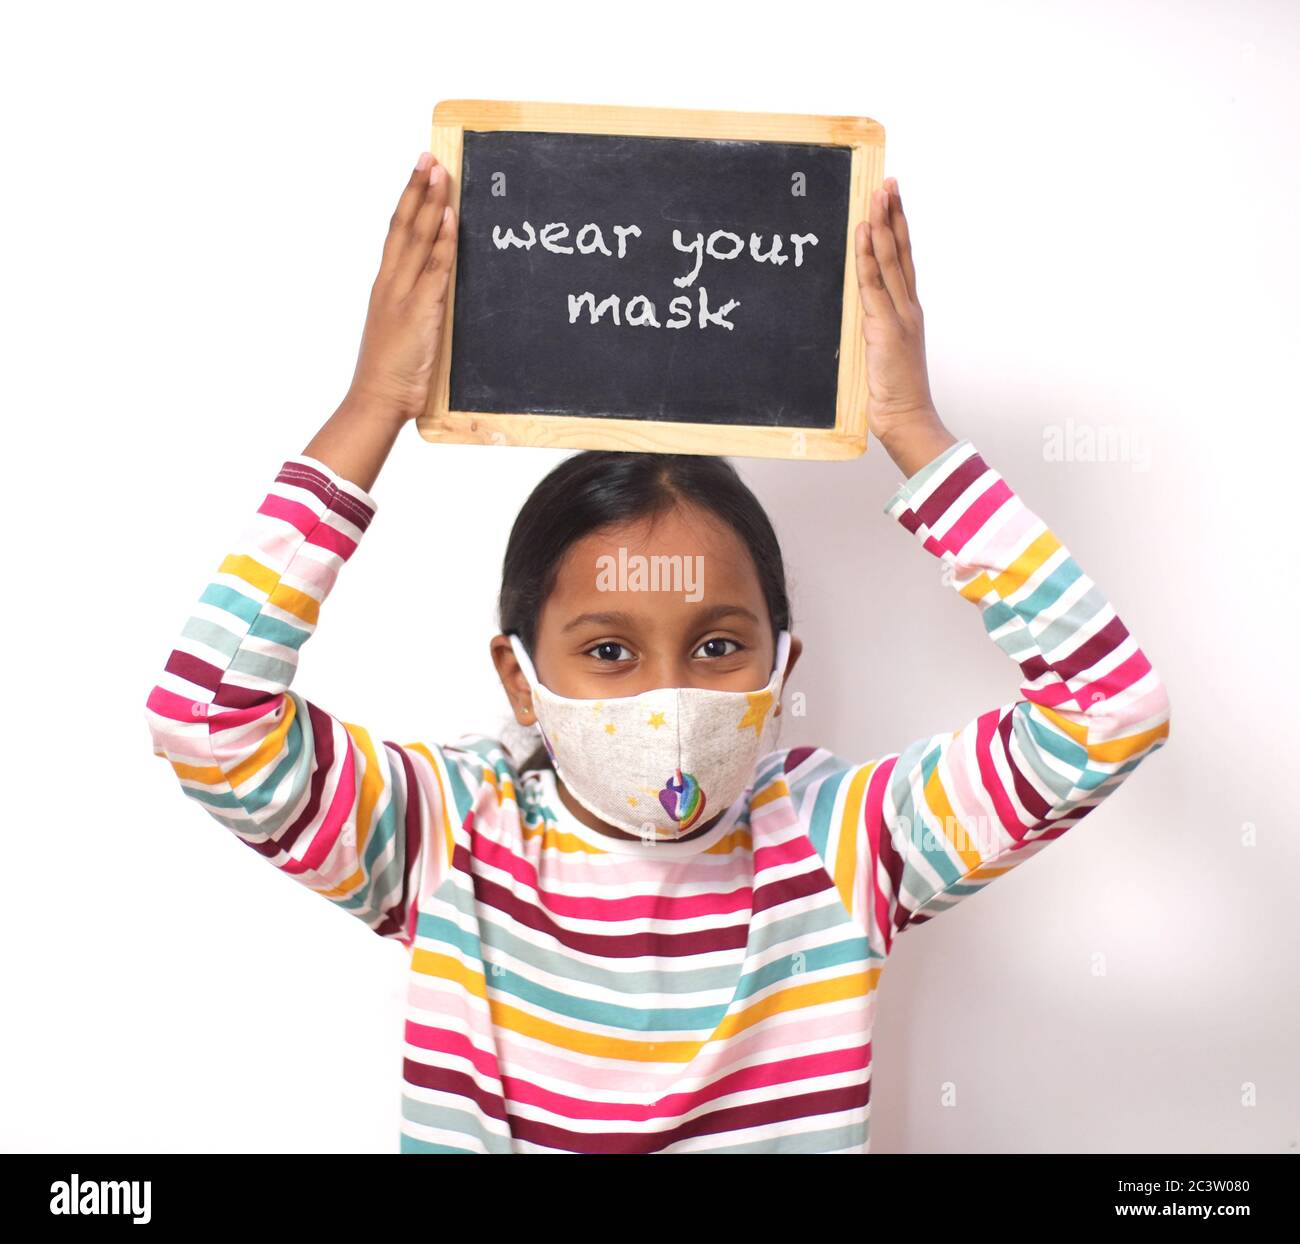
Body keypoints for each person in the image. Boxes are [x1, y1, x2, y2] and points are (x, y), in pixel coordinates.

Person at [144, 151, 1172, 1153]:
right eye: (607, 649)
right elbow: (204, 723)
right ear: (521, 677)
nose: (670, 693)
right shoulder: (449, 834)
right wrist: (370, 409)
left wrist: (913, 431)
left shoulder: (845, 841)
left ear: (783, 663)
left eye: (719, 643)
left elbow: (1110, 709)